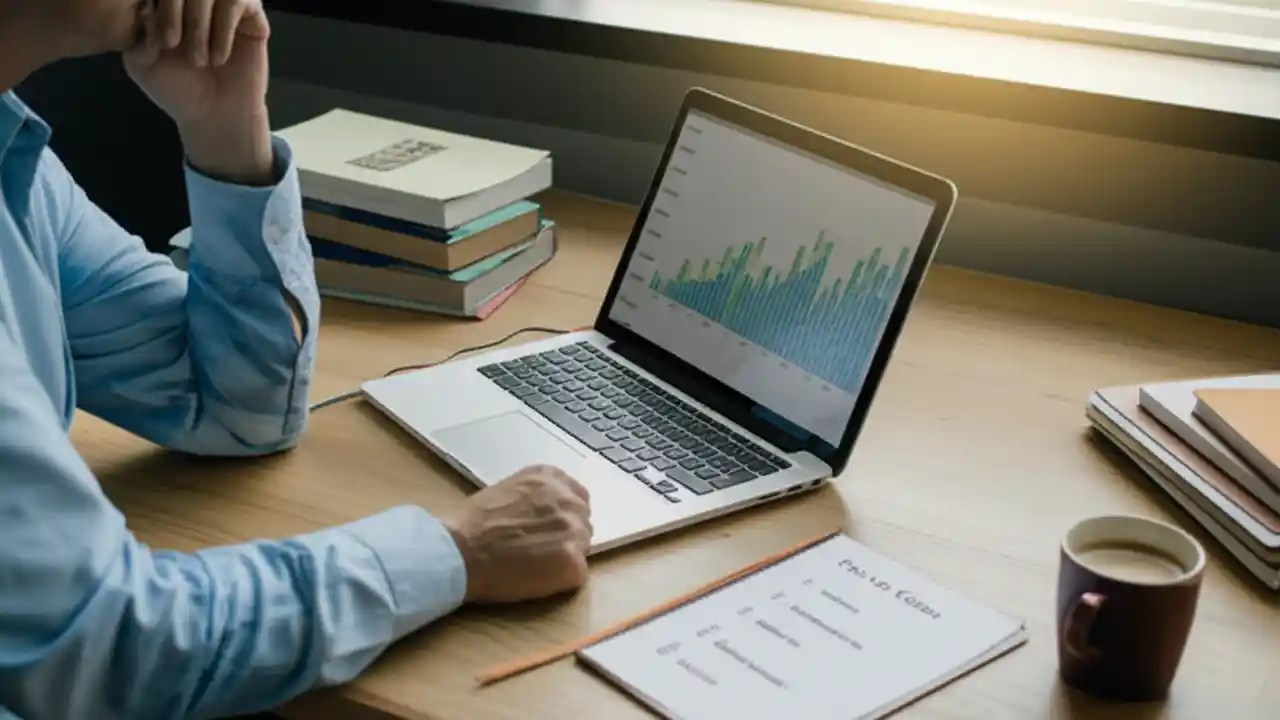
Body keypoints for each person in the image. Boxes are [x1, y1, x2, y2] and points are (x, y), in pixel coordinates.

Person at [0, 2, 593, 718]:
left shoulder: (16, 163)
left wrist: (226, 129)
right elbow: (109, 642)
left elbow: (234, 405)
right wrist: (458, 552)